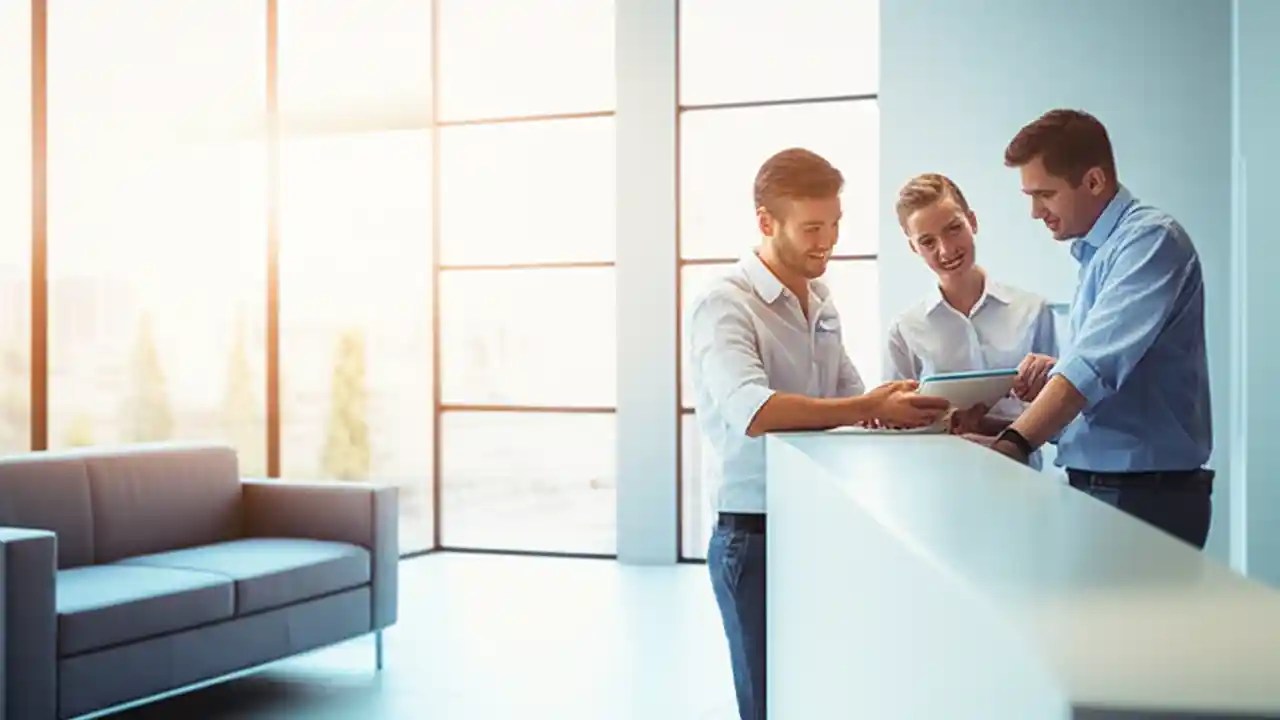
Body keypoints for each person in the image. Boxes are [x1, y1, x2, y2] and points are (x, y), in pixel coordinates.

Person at [686, 147, 950, 720]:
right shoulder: (724, 304)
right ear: (765, 223)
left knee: (818, 695)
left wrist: (933, 415)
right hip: (752, 538)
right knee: (766, 703)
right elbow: (751, 410)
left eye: (833, 224)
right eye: (811, 227)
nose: (827, 240)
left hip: (818, 526)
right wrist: (863, 405)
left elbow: (855, 399)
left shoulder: (821, 300)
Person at [968, 108, 1214, 549]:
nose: (1034, 212)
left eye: (1044, 194)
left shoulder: (1150, 240)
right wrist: (1049, 379)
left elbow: (1094, 367)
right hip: (1106, 489)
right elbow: (1104, 373)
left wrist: (1012, 445)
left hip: (1145, 497)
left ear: (1095, 181)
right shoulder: (1098, 254)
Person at [885, 172, 1059, 449]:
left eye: (954, 229)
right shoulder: (905, 329)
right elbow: (893, 426)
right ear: (913, 248)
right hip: (934, 476)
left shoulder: (1033, 311)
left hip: (1019, 477)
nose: (946, 250)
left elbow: (1061, 418)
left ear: (973, 222)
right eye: (928, 242)